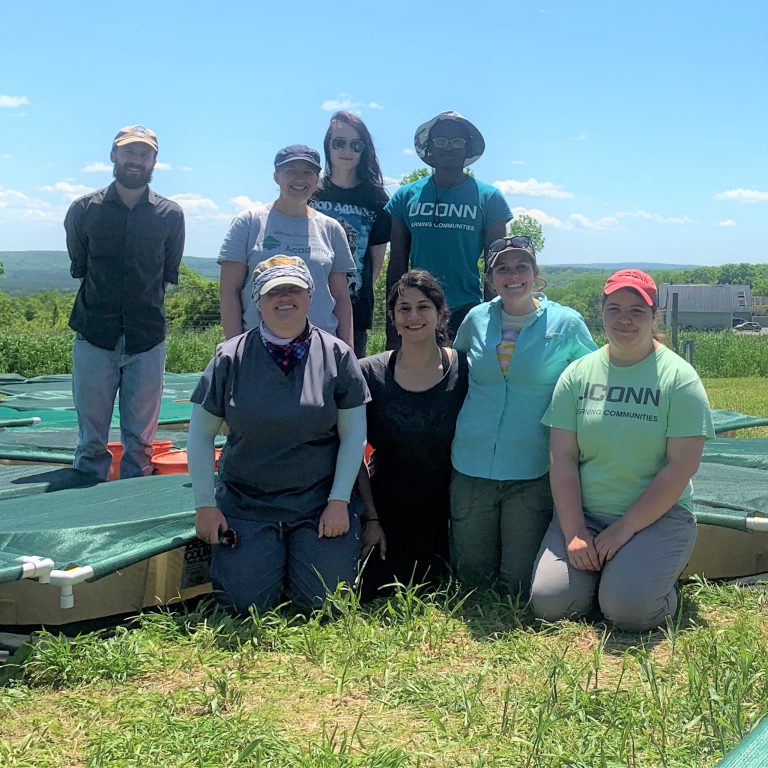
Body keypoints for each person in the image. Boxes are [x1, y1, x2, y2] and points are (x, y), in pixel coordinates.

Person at [530, 270, 715, 631]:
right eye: (614, 308)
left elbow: (681, 466)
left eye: (637, 311)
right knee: (552, 603)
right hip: (587, 515)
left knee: (629, 611)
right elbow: (563, 458)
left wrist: (624, 529)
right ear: (602, 312)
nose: (624, 319)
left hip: (657, 518)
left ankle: (646, 580)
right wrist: (575, 532)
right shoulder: (577, 375)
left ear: (655, 316)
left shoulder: (680, 379)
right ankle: (615, 575)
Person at [189, 256, 370, 612]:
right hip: (247, 504)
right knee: (244, 605)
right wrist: (205, 506)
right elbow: (199, 436)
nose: (284, 297)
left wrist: (338, 502)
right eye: (273, 291)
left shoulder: (338, 355)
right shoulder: (229, 358)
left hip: (318, 503)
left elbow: (354, 435)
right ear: (257, 301)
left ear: (310, 296)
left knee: (327, 603)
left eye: (293, 289)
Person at [450, 237, 596, 597]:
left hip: (531, 467)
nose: (512, 275)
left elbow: (594, 379)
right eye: (502, 268)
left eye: (521, 267)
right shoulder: (475, 319)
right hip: (471, 464)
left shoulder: (567, 323)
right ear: (490, 279)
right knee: (471, 578)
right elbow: (455, 369)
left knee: (518, 583)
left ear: (535, 273)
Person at [64, 125, 185, 480]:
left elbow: (165, 275)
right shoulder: (84, 210)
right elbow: (82, 270)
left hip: (146, 339)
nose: (136, 159)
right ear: (113, 155)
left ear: (154, 162)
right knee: (90, 443)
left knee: (141, 445)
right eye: (129, 151)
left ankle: (134, 505)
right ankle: (85, 501)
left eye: (144, 154)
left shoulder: (170, 215)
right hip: (94, 336)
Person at [357, 271, 468, 599]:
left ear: (440, 313)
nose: (413, 316)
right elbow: (349, 449)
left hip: (449, 509)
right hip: (387, 507)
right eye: (404, 309)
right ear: (392, 317)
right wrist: (370, 517)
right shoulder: (369, 373)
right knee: (376, 588)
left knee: (445, 584)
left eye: (423, 307)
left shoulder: (465, 370)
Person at [385, 111, 512, 342]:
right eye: (440, 141)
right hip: (417, 308)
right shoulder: (405, 197)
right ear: (429, 148)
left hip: (467, 309)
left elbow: (496, 265)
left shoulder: (490, 198)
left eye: (457, 141)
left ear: (468, 148)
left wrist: (494, 318)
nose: (449, 147)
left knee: (460, 366)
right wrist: (393, 321)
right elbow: (397, 262)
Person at [218, 145, 355, 347]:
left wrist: (347, 349)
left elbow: (341, 297)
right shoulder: (248, 222)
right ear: (276, 177)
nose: (300, 179)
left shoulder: (331, 229)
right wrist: (235, 348)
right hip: (259, 346)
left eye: (308, 173)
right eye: (291, 171)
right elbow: (229, 291)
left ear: (316, 179)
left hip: (320, 346)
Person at [311, 111, 391, 357]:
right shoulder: (311, 191)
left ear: (364, 150)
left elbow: (376, 261)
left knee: (348, 376)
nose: (347, 150)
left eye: (356, 145)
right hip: (307, 306)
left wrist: (353, 292)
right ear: (328, 145)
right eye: (339, 143)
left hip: (355, 311)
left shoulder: (376, 199)